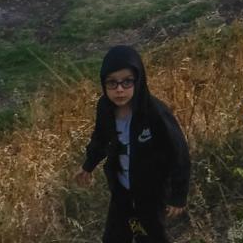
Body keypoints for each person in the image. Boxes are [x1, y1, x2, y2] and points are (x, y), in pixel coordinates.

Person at [78, 45, 189, 242]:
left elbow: (178, 152)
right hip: (121, 188)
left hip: (151, 191)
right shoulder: (105, 108)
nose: (119, 89)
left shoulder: (154, 112)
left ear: (138, 80)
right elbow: (101, 138)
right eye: (111, 83)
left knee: (151, 235)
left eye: (127, 82)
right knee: (114, 236)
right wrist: (89, 164)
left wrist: (178, 195)